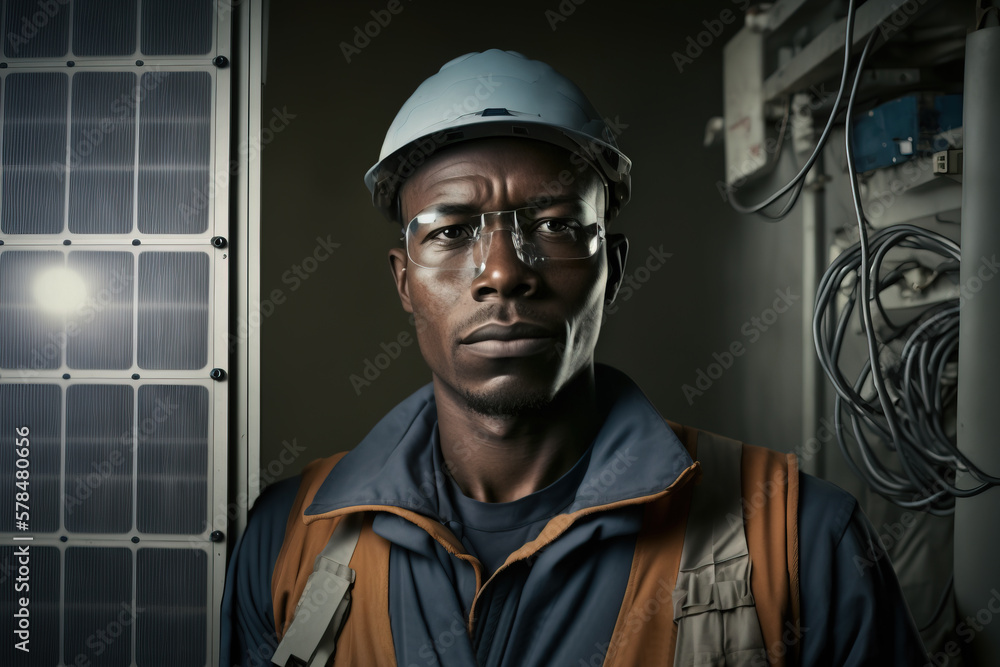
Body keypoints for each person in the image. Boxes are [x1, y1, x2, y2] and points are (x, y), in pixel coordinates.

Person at [221, 49, 926, 667]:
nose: (503, 271)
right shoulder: (289, 540)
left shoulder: (798, 540)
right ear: (405, 281)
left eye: (556, 224)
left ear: (612, 270)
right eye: (453, 230)